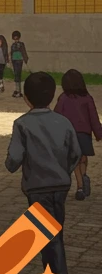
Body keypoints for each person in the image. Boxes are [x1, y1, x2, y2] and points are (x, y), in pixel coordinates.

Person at [5, 71, 81, 274]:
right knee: (53, 228)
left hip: (37, 187)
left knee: (47, 231)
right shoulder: (63, 122)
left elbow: (15, 157)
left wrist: (10, 165)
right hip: (60, 185)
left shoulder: (22, 124)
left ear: (26, 98)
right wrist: (64, 171)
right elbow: (75, 153)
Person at [54, 69, 102, 201]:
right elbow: (94, 118)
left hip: (70, 134)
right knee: (82, 159)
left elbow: (57, 116)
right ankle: (83, 180)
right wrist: (98, 133)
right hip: (84, 134)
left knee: (75, 159)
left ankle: (80, 185)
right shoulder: (87, 98)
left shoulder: (63, 98)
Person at [10, 31, 30, 98]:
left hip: (19, 60)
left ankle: (19, 91)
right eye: (14, 38)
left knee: (18, 74)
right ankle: (16, 89)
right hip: (14, 60)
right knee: (15, 75)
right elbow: (11, 53)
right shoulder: (12, 45)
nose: (16, 39)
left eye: (17, 38)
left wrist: (26, 59)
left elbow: (23, 51)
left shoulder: (21, 44)